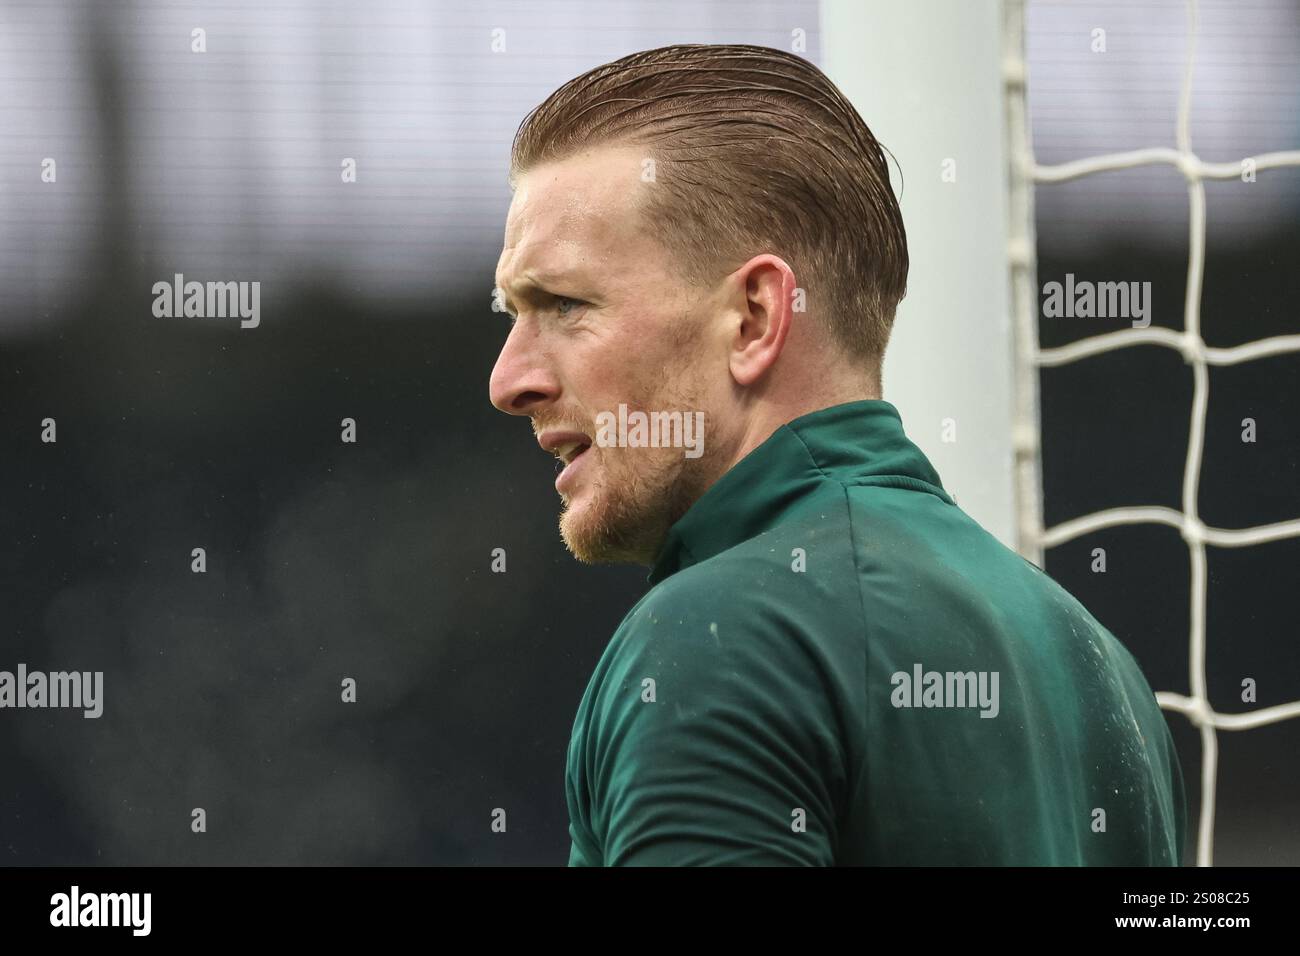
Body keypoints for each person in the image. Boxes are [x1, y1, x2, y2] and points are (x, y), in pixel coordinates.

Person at [488, 43, 1186, 865]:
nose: (509, 379)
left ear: (754, 317)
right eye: (511, 312)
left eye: (564, 304)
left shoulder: (719, 639)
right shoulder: (1096, 664)